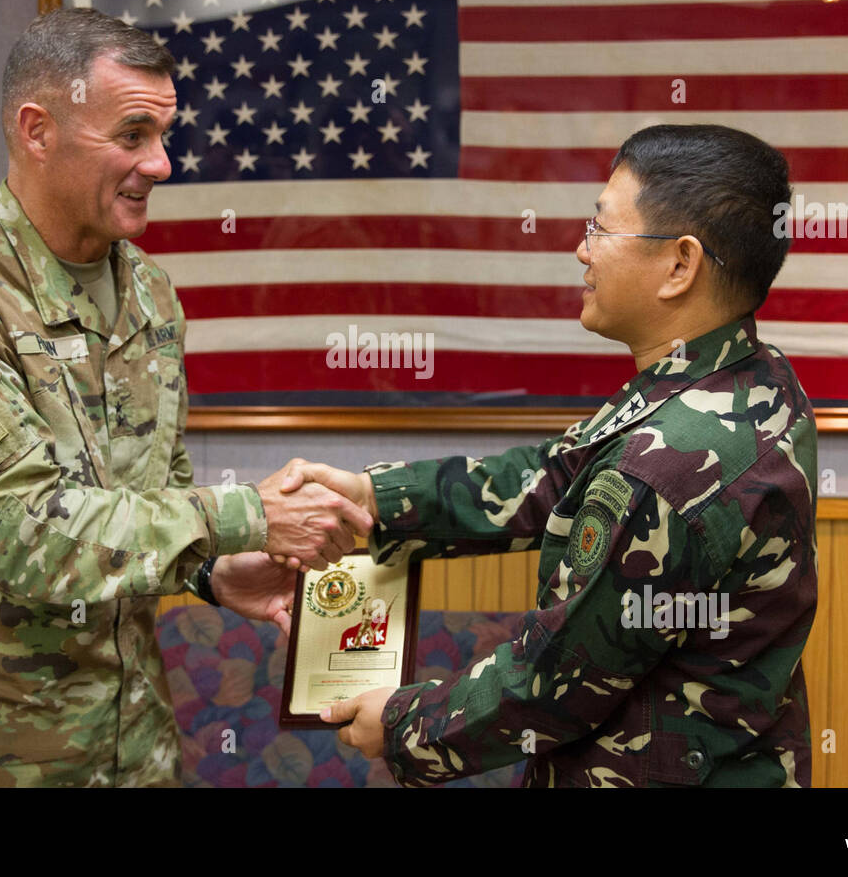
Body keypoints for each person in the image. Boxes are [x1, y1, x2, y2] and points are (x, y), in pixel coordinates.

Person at [0, 7, 370, 787]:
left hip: (134, 754)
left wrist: (212, 572)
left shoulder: (150, 297)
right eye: (132, 135)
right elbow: (24, 534)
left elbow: (146, 506)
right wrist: (245, 516)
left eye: (163, 134)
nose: (160, 163)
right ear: (37, 129)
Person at [292, 124, 819, 787]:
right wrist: (375, 498)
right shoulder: (746, 378)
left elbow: (553, 682)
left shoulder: (664, 468)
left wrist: (400, 724)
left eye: (600, 228)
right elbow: (559, 473)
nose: (580, 251)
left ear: (680, 265)